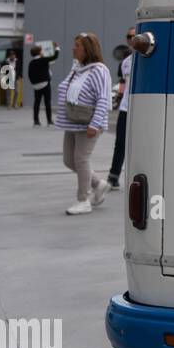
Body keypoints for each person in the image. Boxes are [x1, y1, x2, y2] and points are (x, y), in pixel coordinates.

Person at [55, 32, 113, 215]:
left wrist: (94, 124)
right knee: (69, 160)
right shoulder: (77, 69)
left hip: (88, 123)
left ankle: (83, 200)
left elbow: (103, 98)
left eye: (77, 45)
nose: (73, 48)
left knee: (81, 160)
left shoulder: (99, 70)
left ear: (87, 49)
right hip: (73, 121)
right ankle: (98, 183)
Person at [107, 28, 137, 189]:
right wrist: (118, 98)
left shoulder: (148, 58)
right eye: (128, 37)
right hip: (125, 108)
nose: (131, 39)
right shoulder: (125, 62)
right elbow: (123, 84)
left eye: (134, 36)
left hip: (142, 110)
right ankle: (113, 176)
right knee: (120, 143)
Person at [27, 43, 60, 125]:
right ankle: (49, 120)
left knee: (37, 103)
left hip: (36, 86)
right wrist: (57, 48)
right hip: (45, 83)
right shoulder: (43, 60)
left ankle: (36, 120)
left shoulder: (31, 63)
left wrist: (33, 83)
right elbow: (54, 57)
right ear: (39, 52)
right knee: (47, 102)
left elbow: (29, 74)